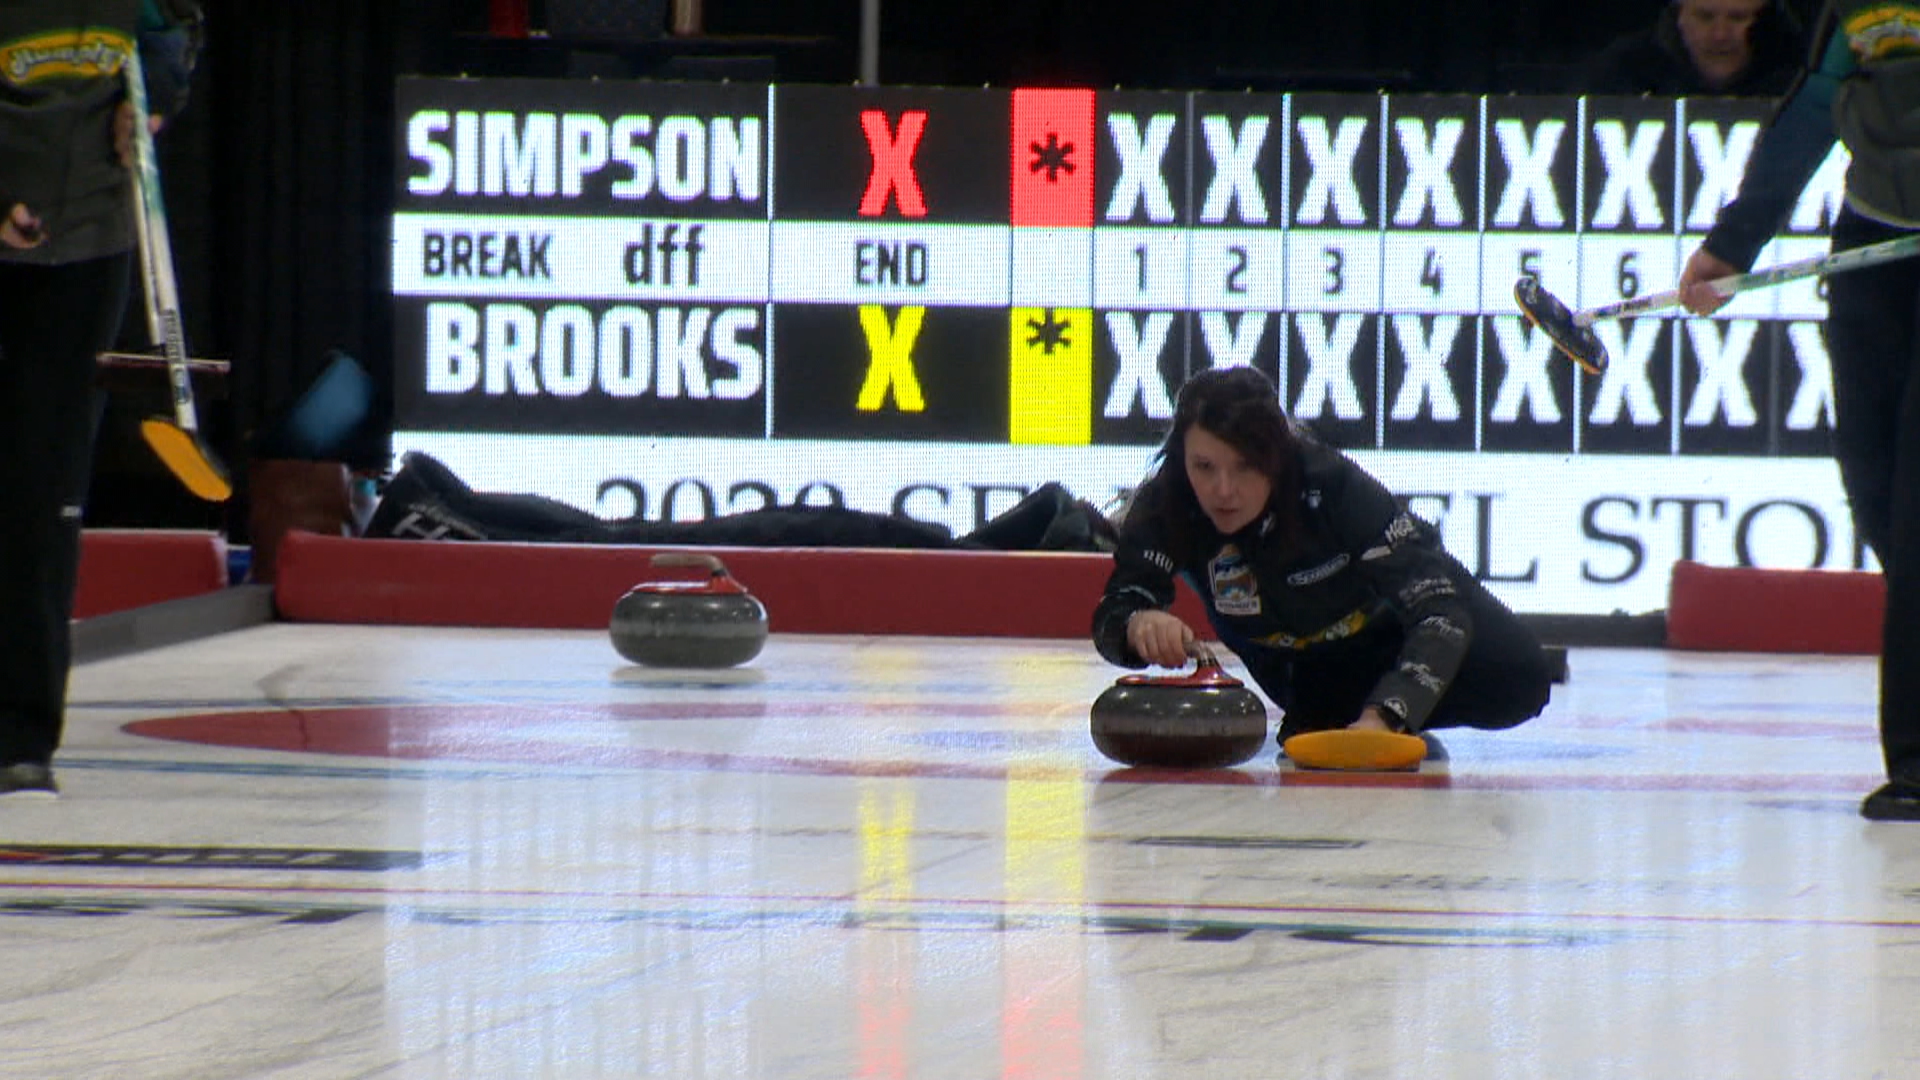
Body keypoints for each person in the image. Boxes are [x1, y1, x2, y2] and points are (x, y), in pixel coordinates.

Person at [1675, 0, 1920, 819]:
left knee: (1918, 519)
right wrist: (1734, 242)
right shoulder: (1856, 13)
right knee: (1879, 498)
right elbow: (1810, 116)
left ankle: (1917, 765)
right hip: (1874, 255)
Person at [1090, 367, 1555, 752]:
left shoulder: (1332, 485)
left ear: (1277, 457)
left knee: (1523, 676)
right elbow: (1116, 608)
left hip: (1389, 632)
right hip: (1304, 669)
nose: (1224, 491)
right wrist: (1138, 622)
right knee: (1311, 736)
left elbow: (1439, 610)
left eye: (1246, 467)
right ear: (1183, 458)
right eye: (1205, 467)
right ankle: (1338, 708)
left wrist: (1390, 714)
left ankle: (1390, 706)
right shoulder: (1166, 499)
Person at [0, 1, 202, 798]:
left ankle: (20, 734)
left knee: (43, 493)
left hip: (89, 238)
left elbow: (171, 28)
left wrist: (151, 99)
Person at [1587, 0, 1806, 96]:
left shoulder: (1808, 78)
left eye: (1738, 18)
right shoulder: (1623, 73)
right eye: (1705, 17)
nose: (1720, 34)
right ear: (1679, 15)